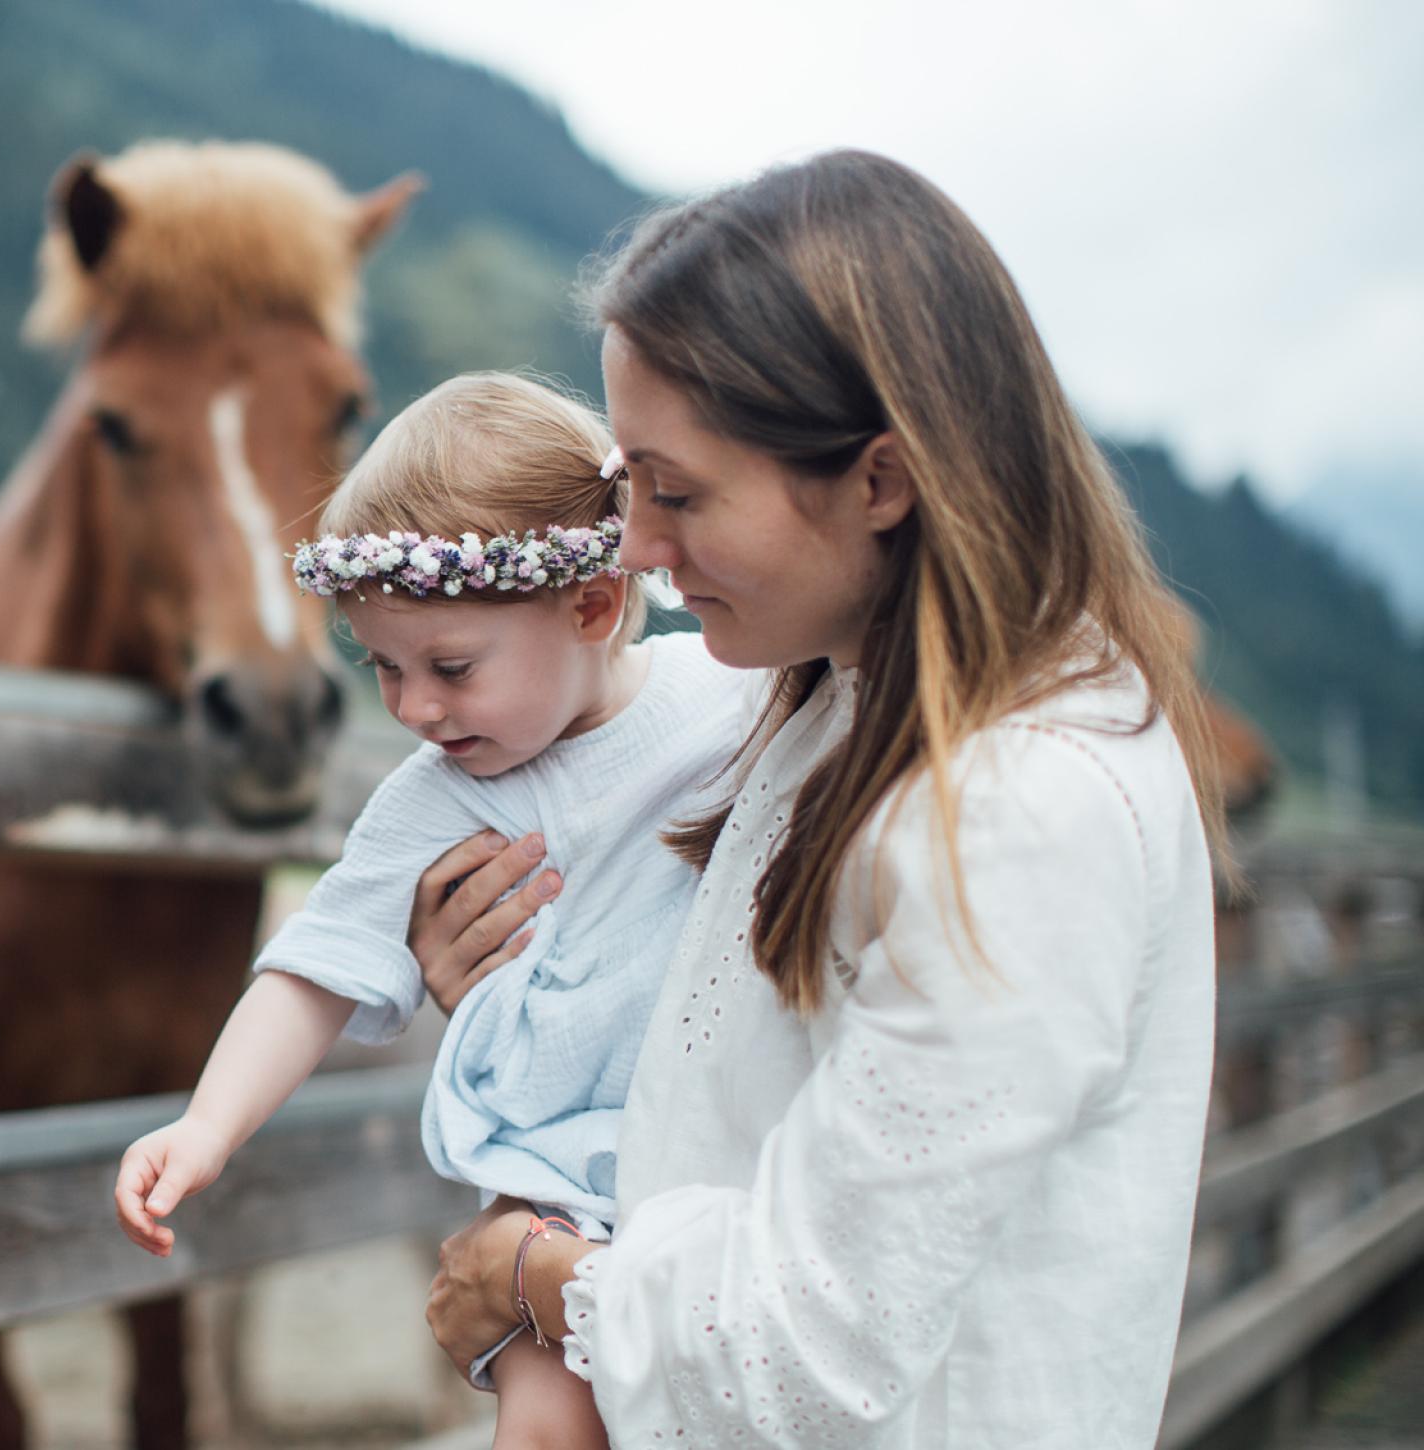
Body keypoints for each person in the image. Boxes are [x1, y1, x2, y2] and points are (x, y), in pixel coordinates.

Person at [416, 150, 1226, 1448]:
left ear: (881, 481)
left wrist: (534, 1276)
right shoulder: (834, 694)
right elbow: (739, 1078)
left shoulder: (1019, 816)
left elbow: (807, 1348)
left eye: (678, 492)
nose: (637, 548)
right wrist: (516, 983)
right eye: (631, 490)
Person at [115, 372, 761, 1450]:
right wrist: (207, 1122)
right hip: (554, 1181)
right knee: (550, 1424)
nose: (415, 709)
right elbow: (312, 967)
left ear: (593, 607)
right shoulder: (436, 795)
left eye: (450, 667)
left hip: (725, 1142)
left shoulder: (732, 697)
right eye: (382, 668)